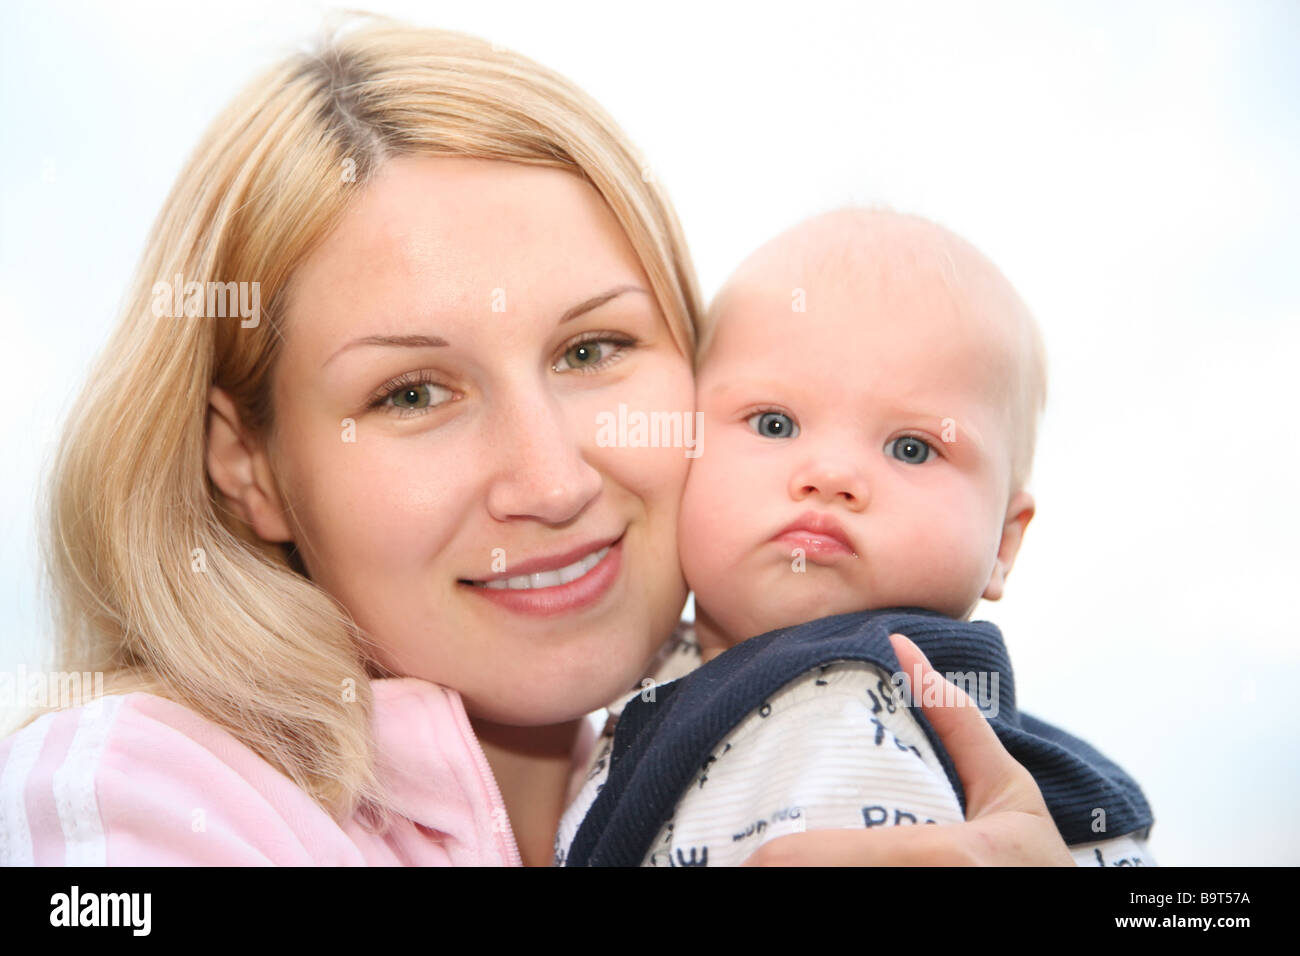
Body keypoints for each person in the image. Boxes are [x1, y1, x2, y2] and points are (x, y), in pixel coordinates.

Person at [0, 21, 1075, 867]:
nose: (553, 481)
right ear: (250, 469)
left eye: (593, 348)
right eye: (413, 390)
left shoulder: (776, 758)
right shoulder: (138, 795)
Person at [561, 209, 1154, 866]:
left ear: (1004, 544)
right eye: (776, 424)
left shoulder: (868, 703)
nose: (832, 475)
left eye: (911, 447)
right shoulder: (643, 678)